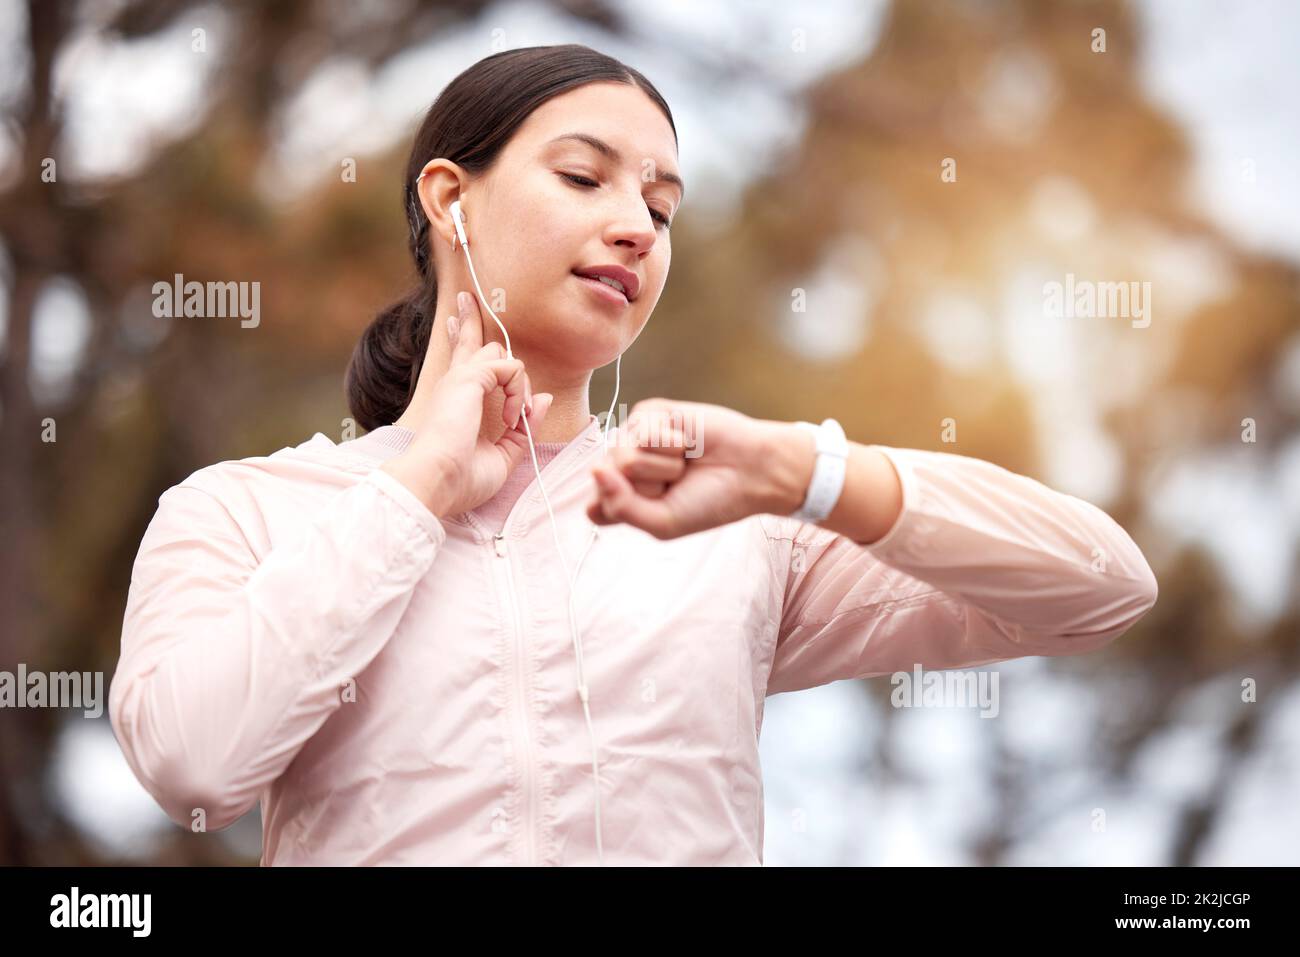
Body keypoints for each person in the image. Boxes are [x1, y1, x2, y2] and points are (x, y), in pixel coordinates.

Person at [108, 44, 1158, 866]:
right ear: (448, 197)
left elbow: (1098, 587)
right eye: (583, 177)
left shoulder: (724, 522)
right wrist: (418, 488)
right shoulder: (244, 510)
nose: (636, 228)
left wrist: (812, 474)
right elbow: (194, 766)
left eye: (660, 207)